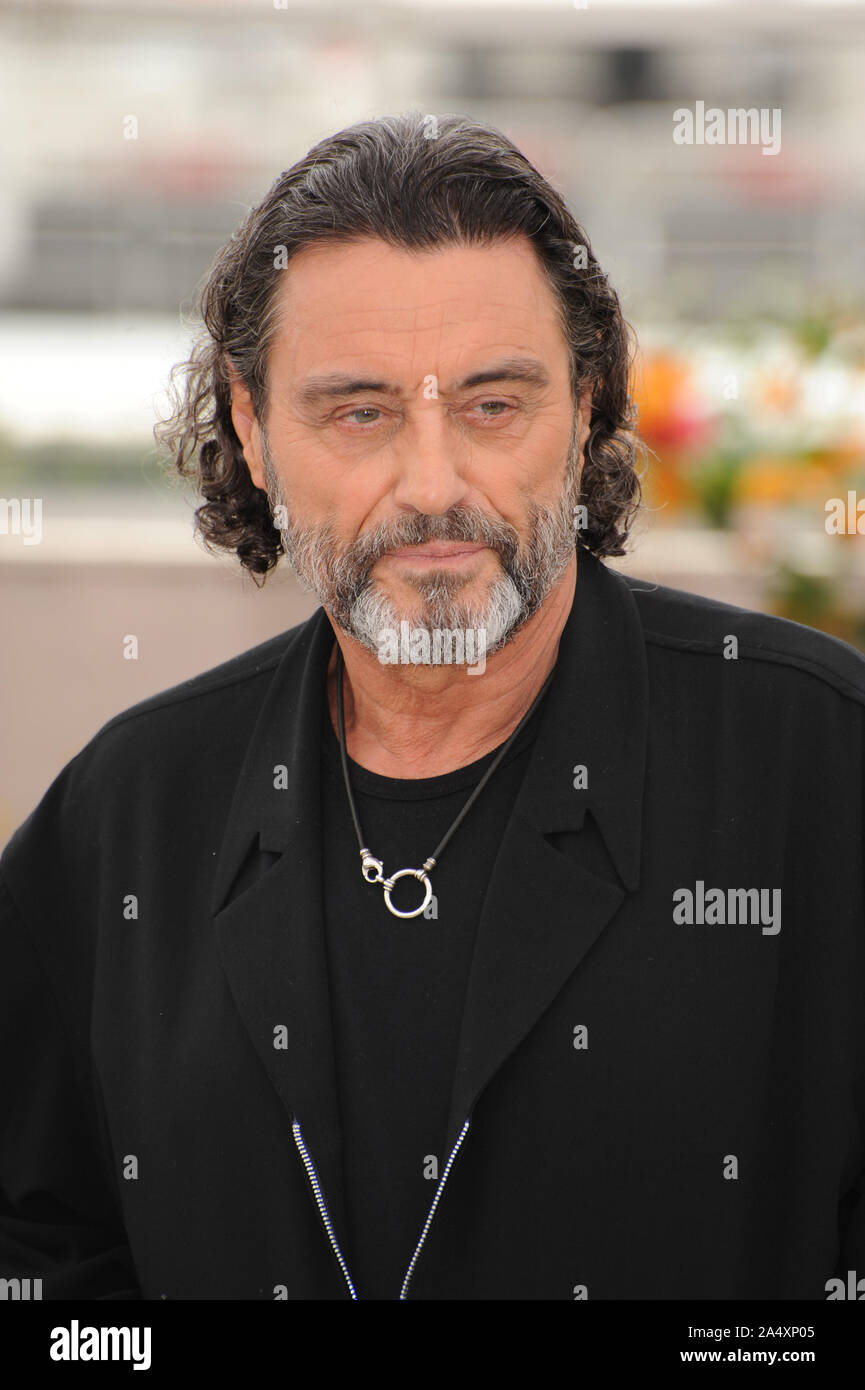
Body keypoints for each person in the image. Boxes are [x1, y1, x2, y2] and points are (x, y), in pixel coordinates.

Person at [1, 113, 864, 1302]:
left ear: (587, 410)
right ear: (252, 432)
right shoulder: (127, 810)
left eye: (493, 405)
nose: (433, 484)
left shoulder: (822, 766)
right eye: (357, 412)